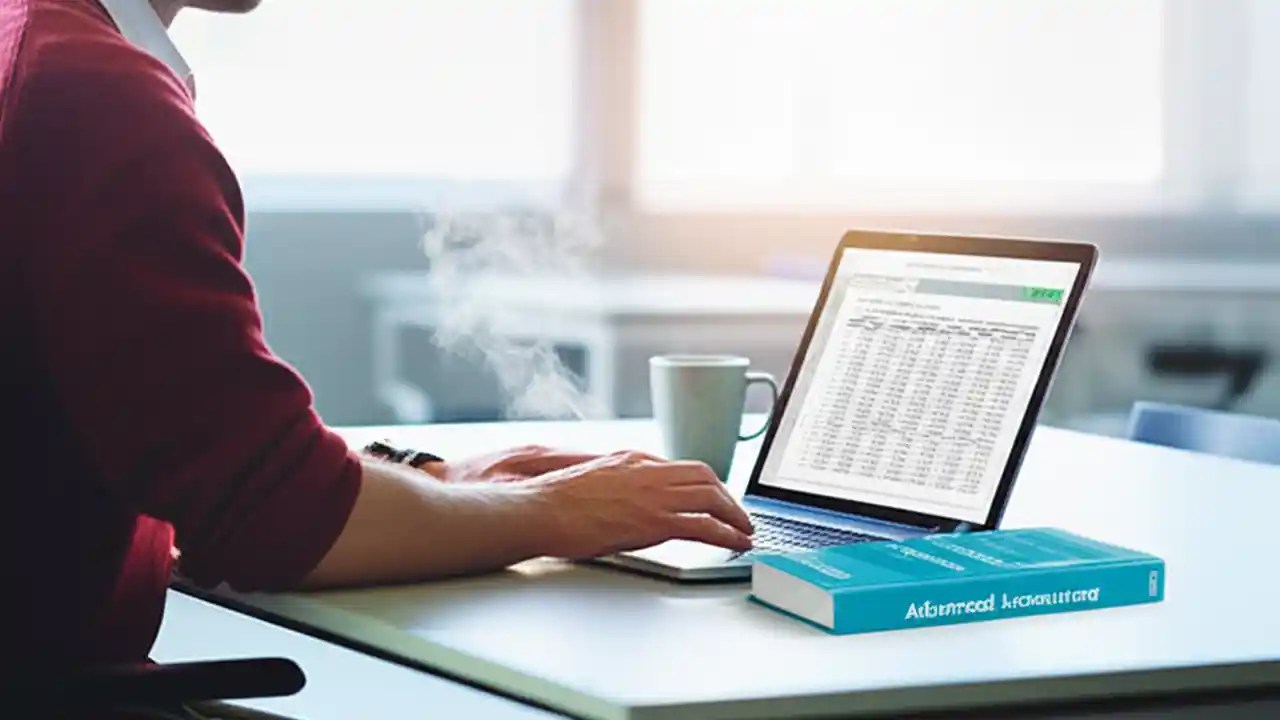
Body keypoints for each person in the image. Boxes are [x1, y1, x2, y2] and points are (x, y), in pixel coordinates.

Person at [0, 0, 754, 675]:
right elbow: (268, 517)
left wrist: (436, 481)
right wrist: (560, 512)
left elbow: (197, 450)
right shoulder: (97, 97)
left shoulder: (34, 45)